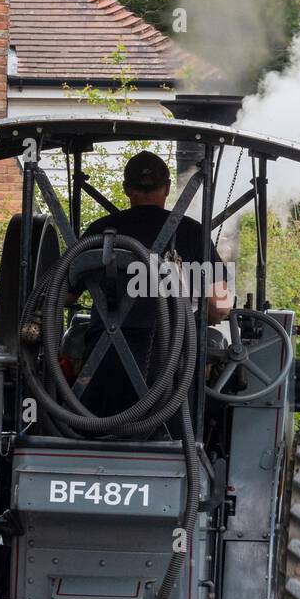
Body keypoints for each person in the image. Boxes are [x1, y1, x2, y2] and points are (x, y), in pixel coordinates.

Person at [74, 151, 232, 417]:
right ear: (168, 188)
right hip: (170, 365)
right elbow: (221, 305)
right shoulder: (192, 232)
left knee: (96, 431)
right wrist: (192, 319)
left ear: (126, 189)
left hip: (102, 366)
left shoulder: (99, 231)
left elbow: (63, 294)